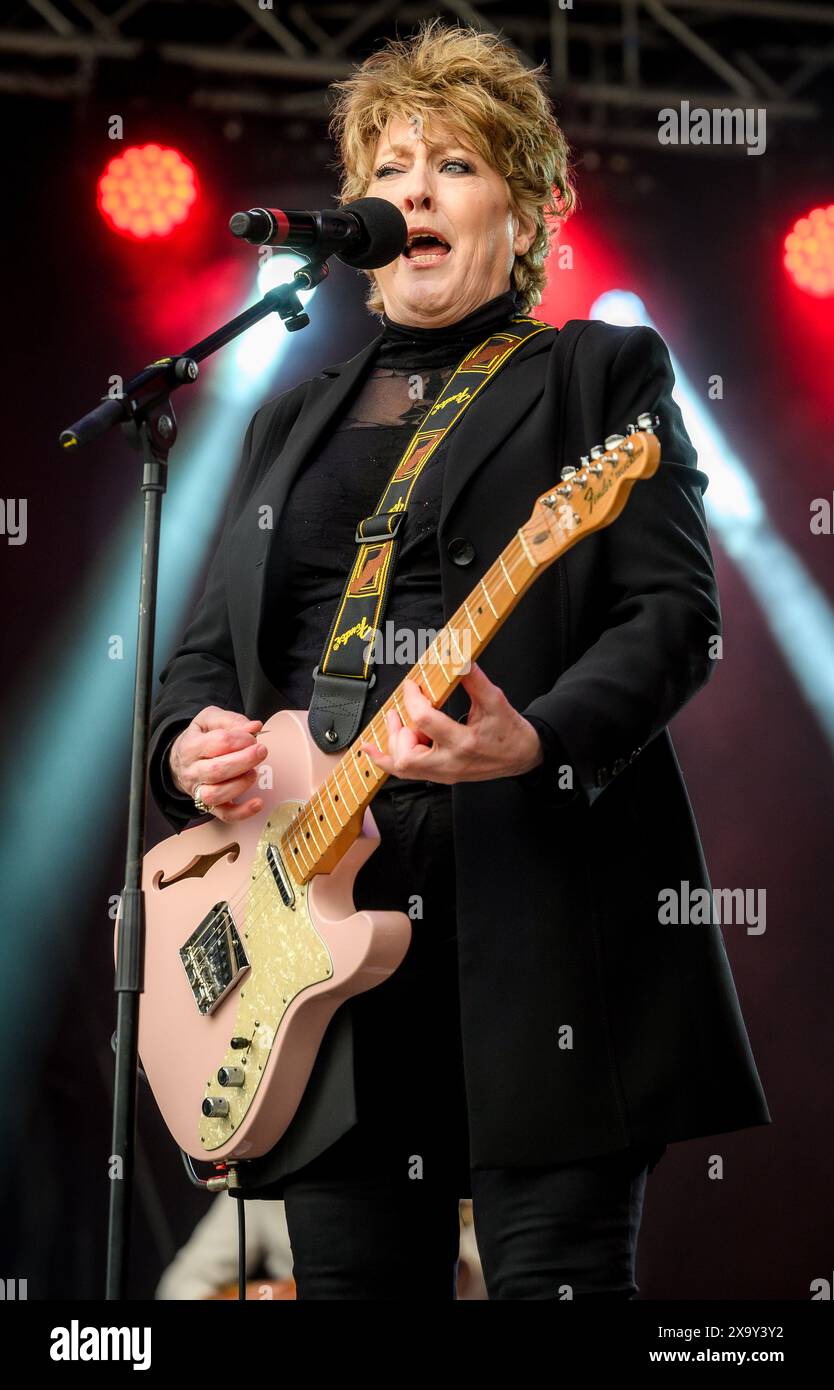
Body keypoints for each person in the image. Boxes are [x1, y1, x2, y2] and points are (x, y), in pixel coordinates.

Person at [148, 19, 771, 1300]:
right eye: (389, 169)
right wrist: (186, 746)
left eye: (455, 167)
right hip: (311, 934)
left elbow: (673, 614)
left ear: (532, 210)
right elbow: (204, 658)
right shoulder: (285, 416)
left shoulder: (597, 374)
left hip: (536, 907)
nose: (412, 191)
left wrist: (538, 737)